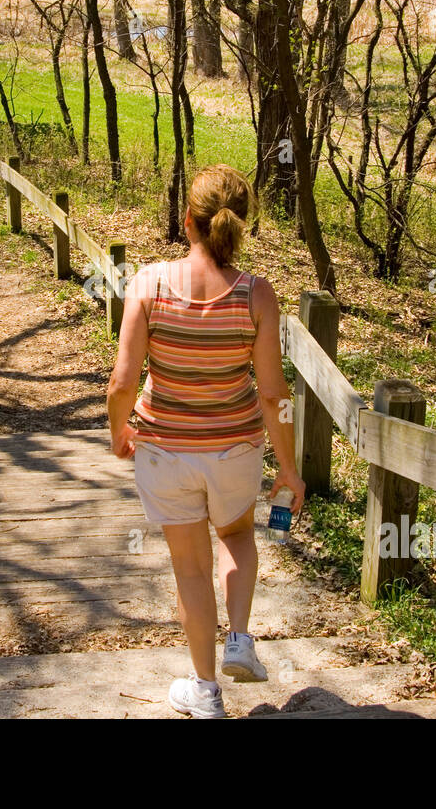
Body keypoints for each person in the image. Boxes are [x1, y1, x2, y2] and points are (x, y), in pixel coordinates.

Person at [107, 165, 305, 718]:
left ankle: (206, 691)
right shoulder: (257, 295)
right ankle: (239, 638)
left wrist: (118, 432)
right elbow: (273, 395)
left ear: (187, 220)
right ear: (241, 225)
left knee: (189, 569)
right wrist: (288, 469)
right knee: (237, 534)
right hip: (235, 451)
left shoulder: (147, 283)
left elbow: (122, 382)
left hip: (165, 451)